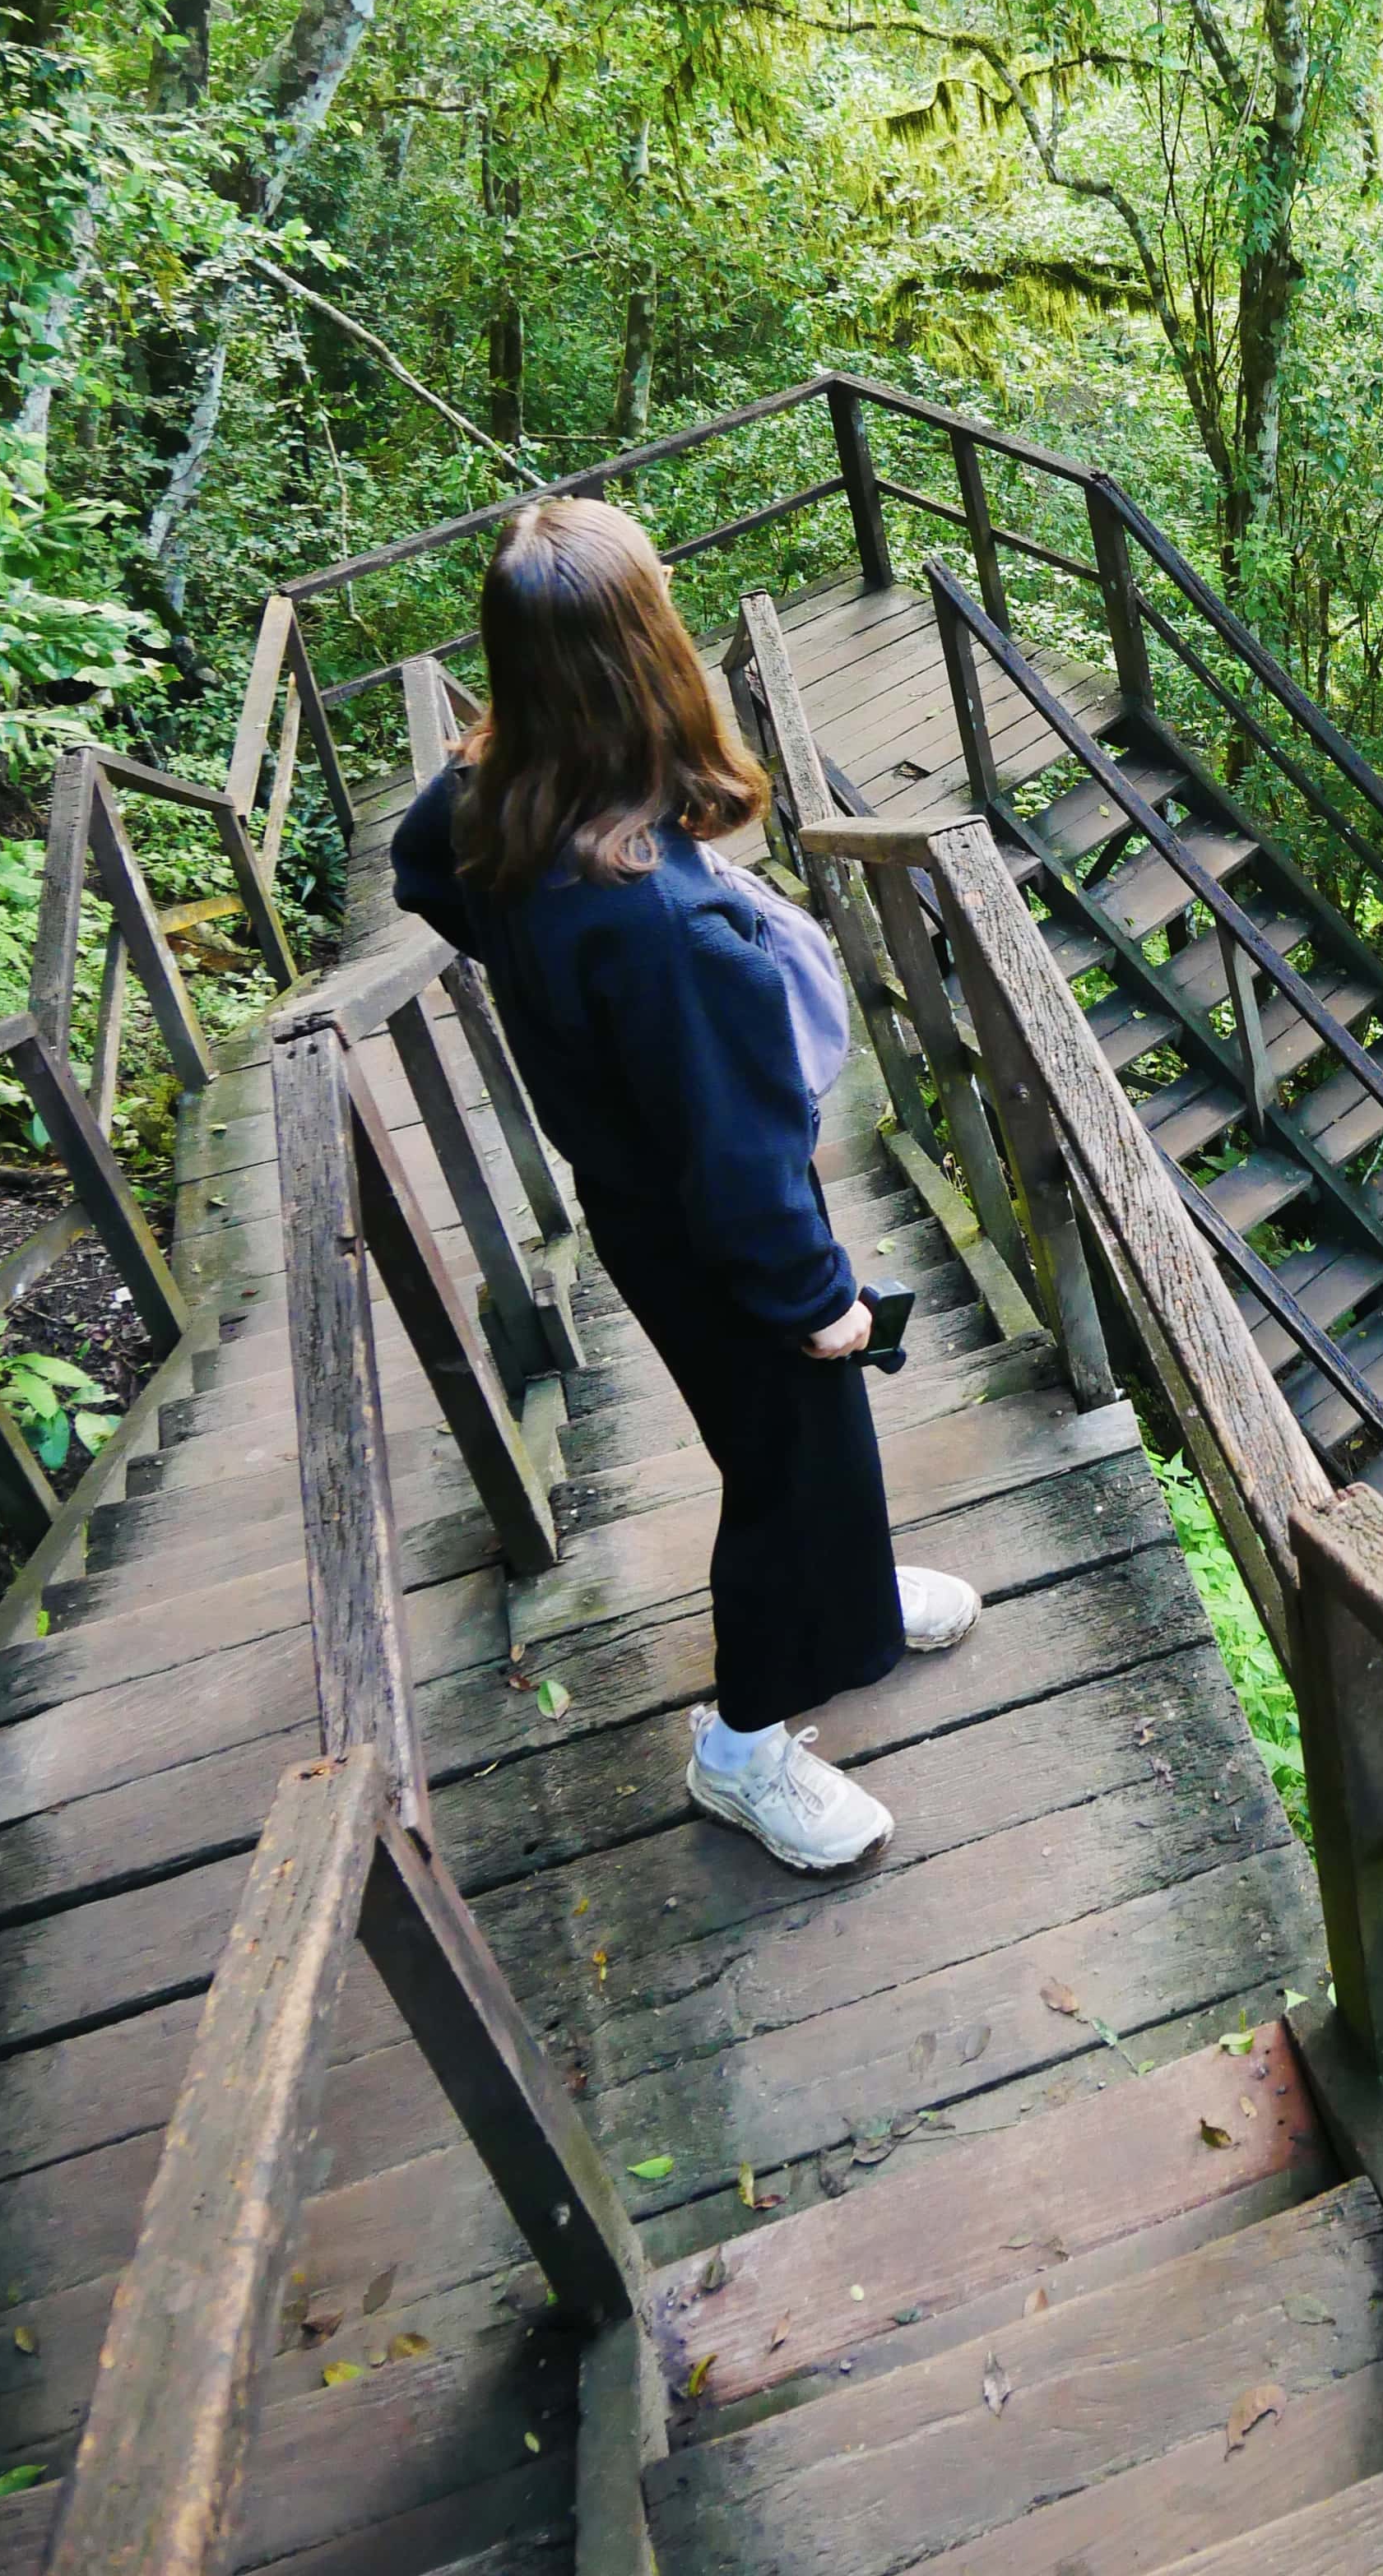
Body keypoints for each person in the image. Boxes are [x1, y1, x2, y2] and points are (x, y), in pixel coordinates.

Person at [391, 494, 978, 1874]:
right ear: (653, 656)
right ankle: (744, 1750)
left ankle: (853, 1585)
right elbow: (743, 1158)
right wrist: (817, 1296)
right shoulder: (671, 922)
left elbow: (423, 871)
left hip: (636, 1207)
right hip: (722, 1236)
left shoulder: (492, 798)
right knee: (788, 1468)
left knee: (794, 1457)